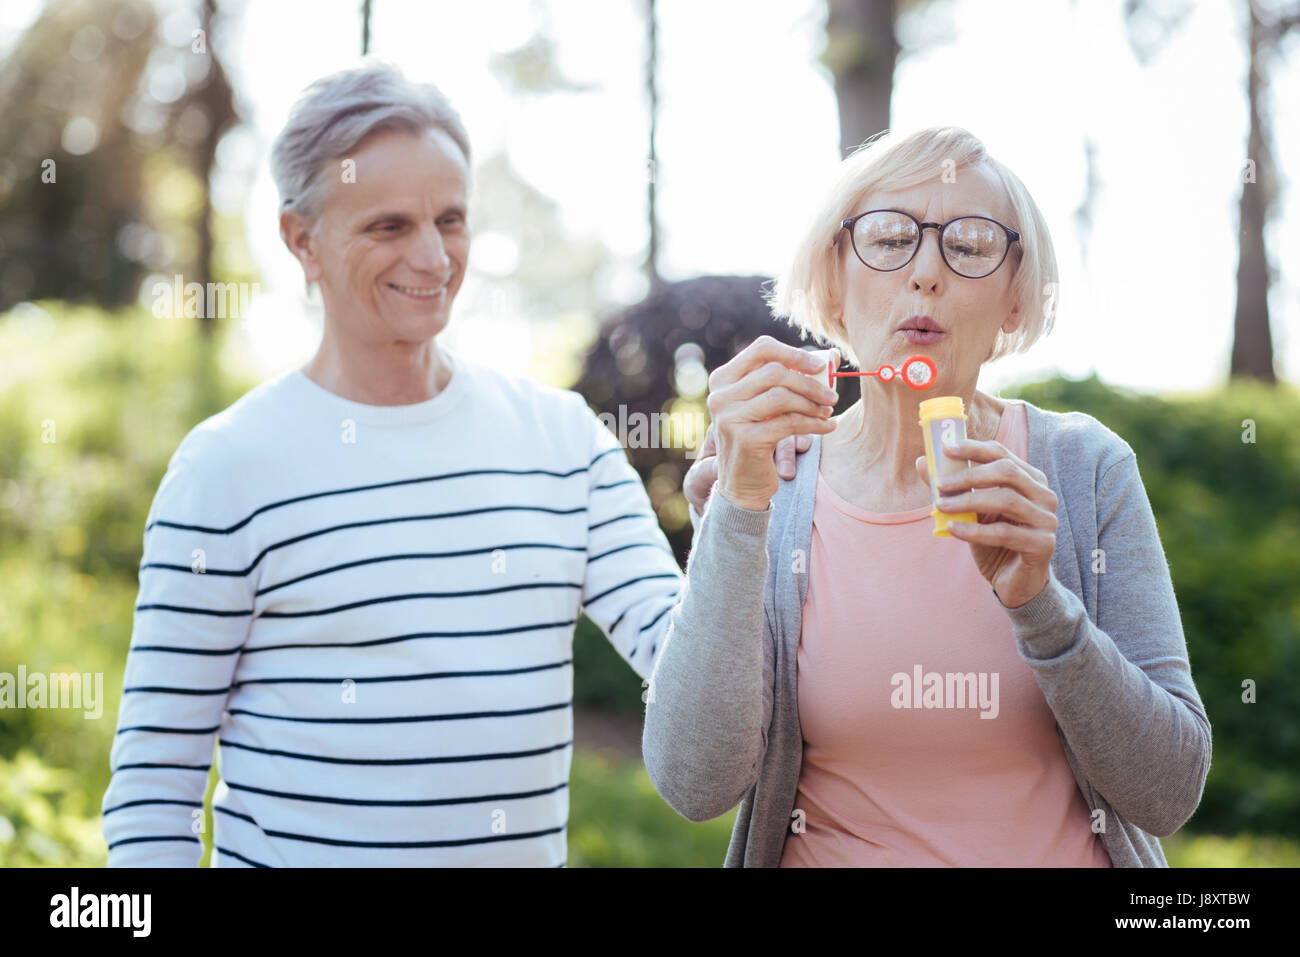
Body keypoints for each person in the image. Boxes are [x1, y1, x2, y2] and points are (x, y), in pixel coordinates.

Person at [101, 60, 712, 867]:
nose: (432, 258)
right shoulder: (226, 469)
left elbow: (693, 673)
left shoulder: (564, 443)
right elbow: (154, 791)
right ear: (301, 239)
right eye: (389, 226)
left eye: (449, 220)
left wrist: (736, 520)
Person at [655, 126, 1212, 867]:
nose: (925, 272)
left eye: (972, 245)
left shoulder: (1083, 468)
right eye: (888, 238)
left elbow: (1168, 793)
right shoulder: (774, 483)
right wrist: (737, 511)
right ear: (832, 282)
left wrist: (1041, 605)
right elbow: (694, 782)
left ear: (1016, 299)